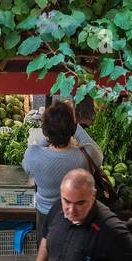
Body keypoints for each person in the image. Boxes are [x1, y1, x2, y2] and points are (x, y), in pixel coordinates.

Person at [21, 100, 103, 238]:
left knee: (47, 252)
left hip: (45, 215)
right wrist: (75, 129)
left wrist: (50, 136)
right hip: (77, 216)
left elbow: (26, 166)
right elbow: (98, 153)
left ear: (45, 130)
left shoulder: (32, 155)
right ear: (72, 128)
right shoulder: (85, 156)